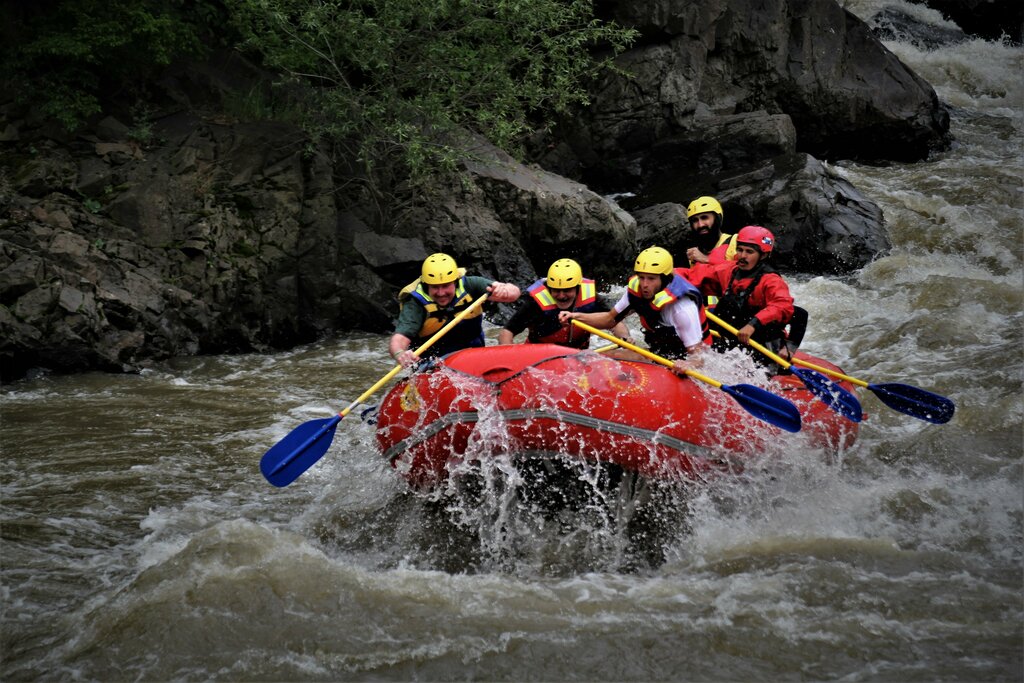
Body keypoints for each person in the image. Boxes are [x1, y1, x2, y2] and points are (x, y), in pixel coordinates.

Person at [558, 247, 709, 376]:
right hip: (660, 351)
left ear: (664, 279)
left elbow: (699, 357)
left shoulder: (682, 308)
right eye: (641, 277)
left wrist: (687, 365)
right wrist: (575, 317)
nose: (644, 284)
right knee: (604, 357)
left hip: (682, 358)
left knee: (631, 358)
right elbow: (609, 320)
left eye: (651, 279)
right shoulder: (636, 290)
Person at [686, 226, 796, 365]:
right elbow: (695, 275)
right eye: (740, 250)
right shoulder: (730, 270)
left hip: (761, 342)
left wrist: (753, 324)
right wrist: (666, 277)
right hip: (732, 337)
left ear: (763, 255)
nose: (743, 256)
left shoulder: (772, 280)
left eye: (749, 252)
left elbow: (782, 306)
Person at [389, 253, 520, 367]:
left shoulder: (471, 285)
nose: (441, 293)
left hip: (474, 355)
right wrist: (400, 353)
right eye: (435, 287)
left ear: (455, 282)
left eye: (446, 286)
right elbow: (399, 339)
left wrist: (505, 290)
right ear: (426, 285)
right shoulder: (415, 304)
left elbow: (514, 293)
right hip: (433, 365)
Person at [497, 258, 630, 349]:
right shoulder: (535, 304)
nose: (561, 296)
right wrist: (510, 356)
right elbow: (507, 332)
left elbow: (613, 321)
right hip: (539, 360)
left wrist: (625, 337)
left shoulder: (591, 298)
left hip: (579, 357)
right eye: (556, 290)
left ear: (577, 288)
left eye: (567, 290)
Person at [685, 195, 738, 267]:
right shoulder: (694, 254)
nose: (700, 225)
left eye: (704, 218)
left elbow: (745, 269)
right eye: (695, 220)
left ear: (718, 218)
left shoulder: (735, 241)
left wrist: (706, 259)